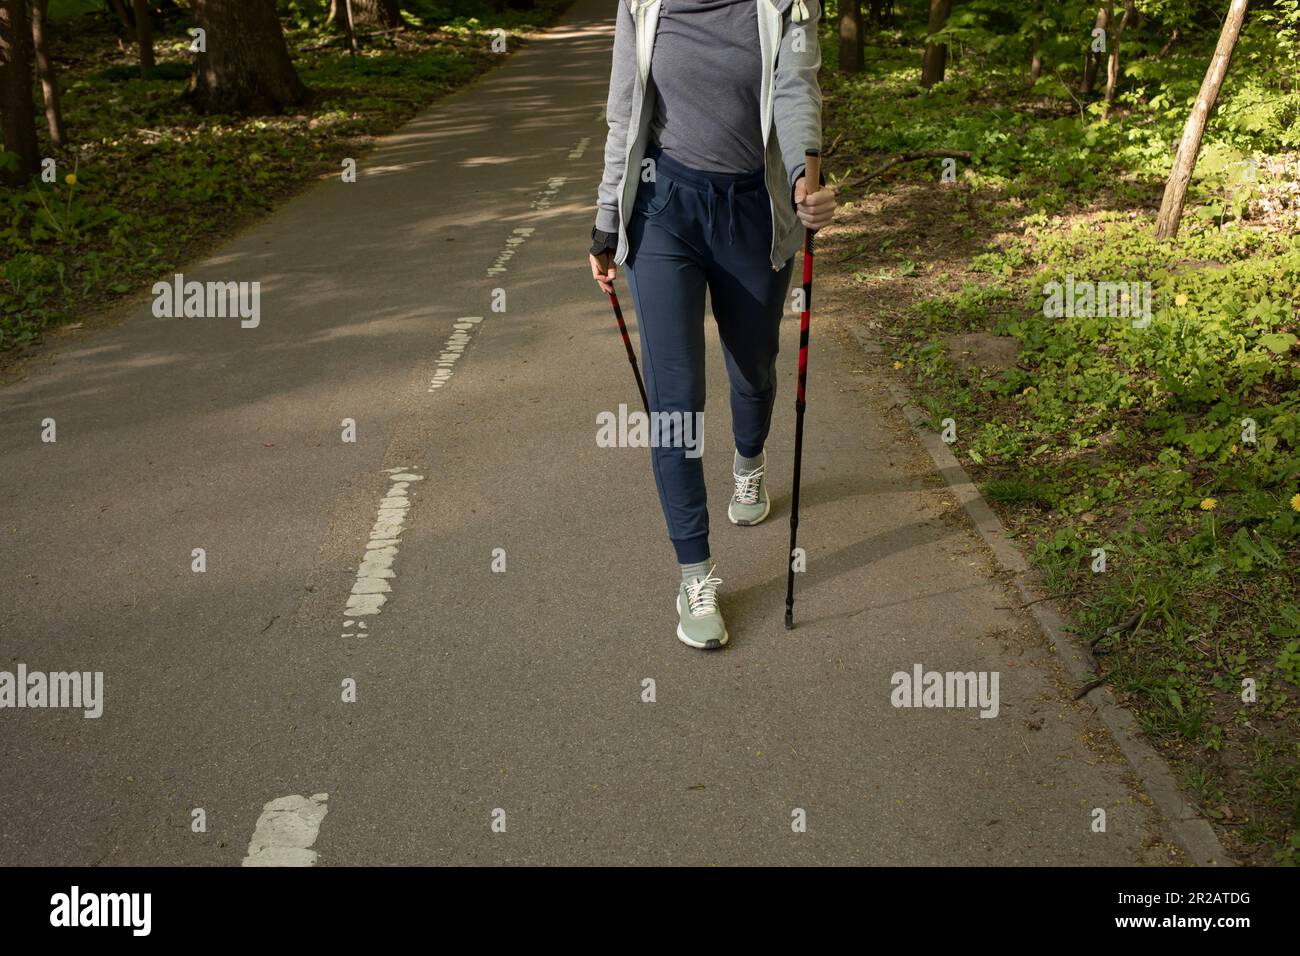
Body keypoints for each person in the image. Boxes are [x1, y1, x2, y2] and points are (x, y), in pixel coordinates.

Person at [589, 0, 836, 649]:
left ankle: (748, 461)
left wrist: (808, 177)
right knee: (676, 400)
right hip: (663, 209)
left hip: (753, 213)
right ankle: (695, 573)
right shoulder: (642, 2)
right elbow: (625, 109)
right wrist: (606, 218)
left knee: (753, 365)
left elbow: (796, 91)